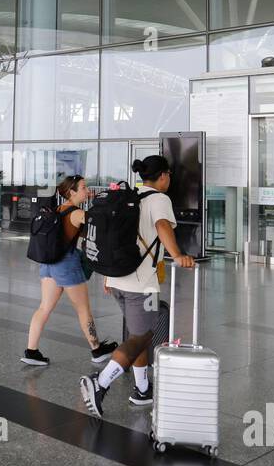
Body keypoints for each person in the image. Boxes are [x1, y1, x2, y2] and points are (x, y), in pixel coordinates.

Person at [80, 155, 195, 417]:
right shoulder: (159, 199)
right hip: (142, 285)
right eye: (168, 176)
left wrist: (109, 277)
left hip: (116, 280)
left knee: (137, 335)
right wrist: (177, 255)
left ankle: (142, 389)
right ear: (163, 175)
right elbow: (163, 226)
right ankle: (100, 383)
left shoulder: (129, 197)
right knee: (142, 336)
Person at [23, 175, 118, 366]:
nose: (88, 190)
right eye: (83, 187)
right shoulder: (77, 213)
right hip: (66, 264)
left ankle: (31, 351)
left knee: (44, 308)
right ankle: (97, 350)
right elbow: (102, 226)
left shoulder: (59, 210)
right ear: (72, 192)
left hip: (48, 264)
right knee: (83, 309)